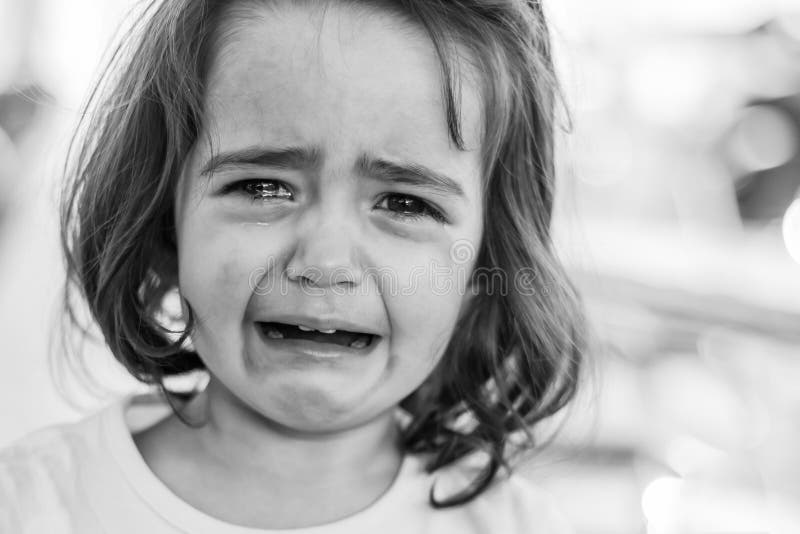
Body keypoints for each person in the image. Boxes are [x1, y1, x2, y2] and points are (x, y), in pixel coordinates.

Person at [0, 0, 586, 531]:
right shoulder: (30, 505)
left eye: (406, 203)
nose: (324, 263)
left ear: (486, 263)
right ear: (161, 224)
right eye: (261, 187)